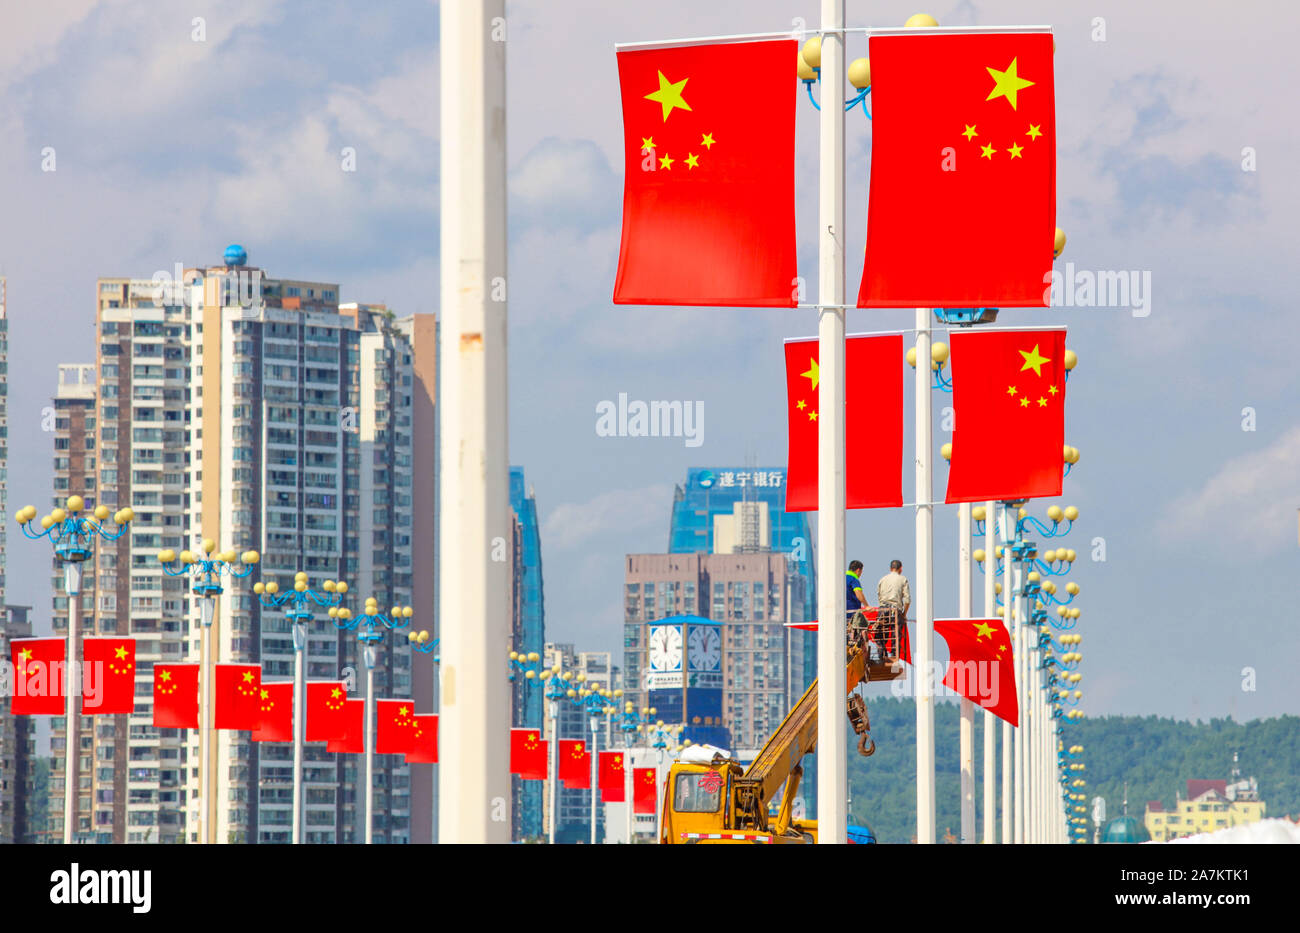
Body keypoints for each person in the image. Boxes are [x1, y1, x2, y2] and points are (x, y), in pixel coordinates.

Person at [876, 560, 911, 660]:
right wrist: (904, 614)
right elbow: (907, 600)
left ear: (891, 568)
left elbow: (879, 595)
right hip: (896, 610)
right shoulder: (902, 579)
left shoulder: (883, 579)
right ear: (901, 569)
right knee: (895, 635)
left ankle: (882, 656)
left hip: (883, 609)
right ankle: (894, 657)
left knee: (881, 634)